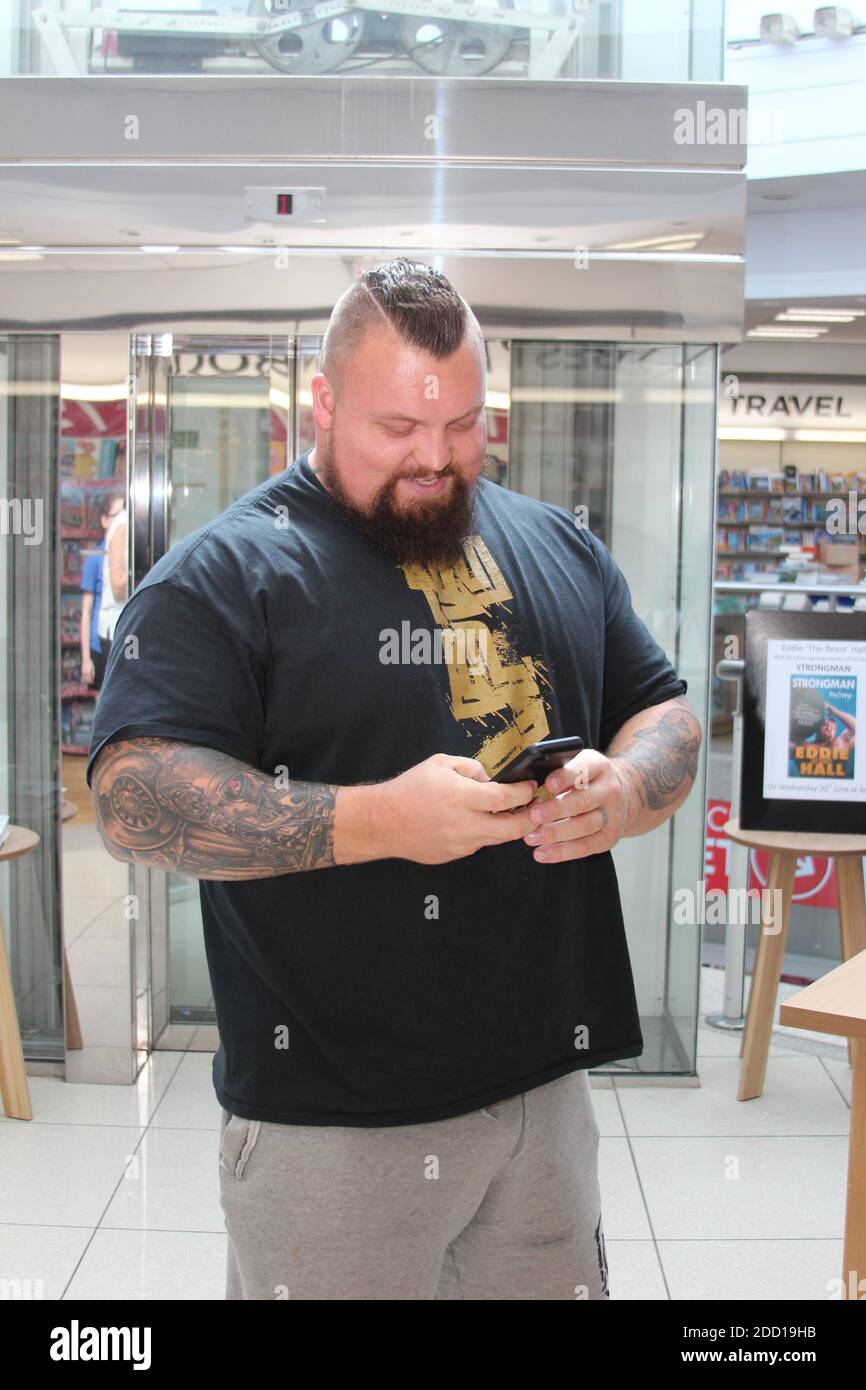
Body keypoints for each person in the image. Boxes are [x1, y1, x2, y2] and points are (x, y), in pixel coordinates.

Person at [87, 258, 701, 1301]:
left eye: (461, 425)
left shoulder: (553, 542)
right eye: (396, 428)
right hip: (330, 1122)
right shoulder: (227, 573)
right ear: (319, 404)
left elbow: (667, 710)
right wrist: (375, 820)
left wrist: (626, 787)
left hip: (544, 1099)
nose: (435, 458)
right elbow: (131, 798)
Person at [80, 495, 125, 690]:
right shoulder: (96, 558)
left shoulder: (127, 555)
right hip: (100, 643)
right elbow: (86, 612)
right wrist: (85, 658)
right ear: (105, 521)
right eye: (118, 514)